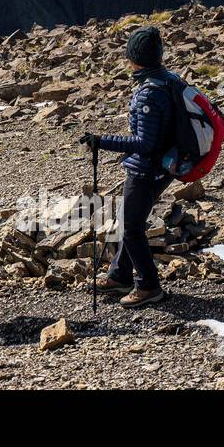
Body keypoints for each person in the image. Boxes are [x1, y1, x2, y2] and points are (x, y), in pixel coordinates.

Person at [80, 25, 178, 307]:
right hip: (163, 166)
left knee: (131, 228)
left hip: (146, 169)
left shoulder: (149, 93)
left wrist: (102, 141)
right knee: (128, 221)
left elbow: (145, 143)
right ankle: (120, 275)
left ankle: (149, 286)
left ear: (134, 57)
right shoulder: (168, 80)